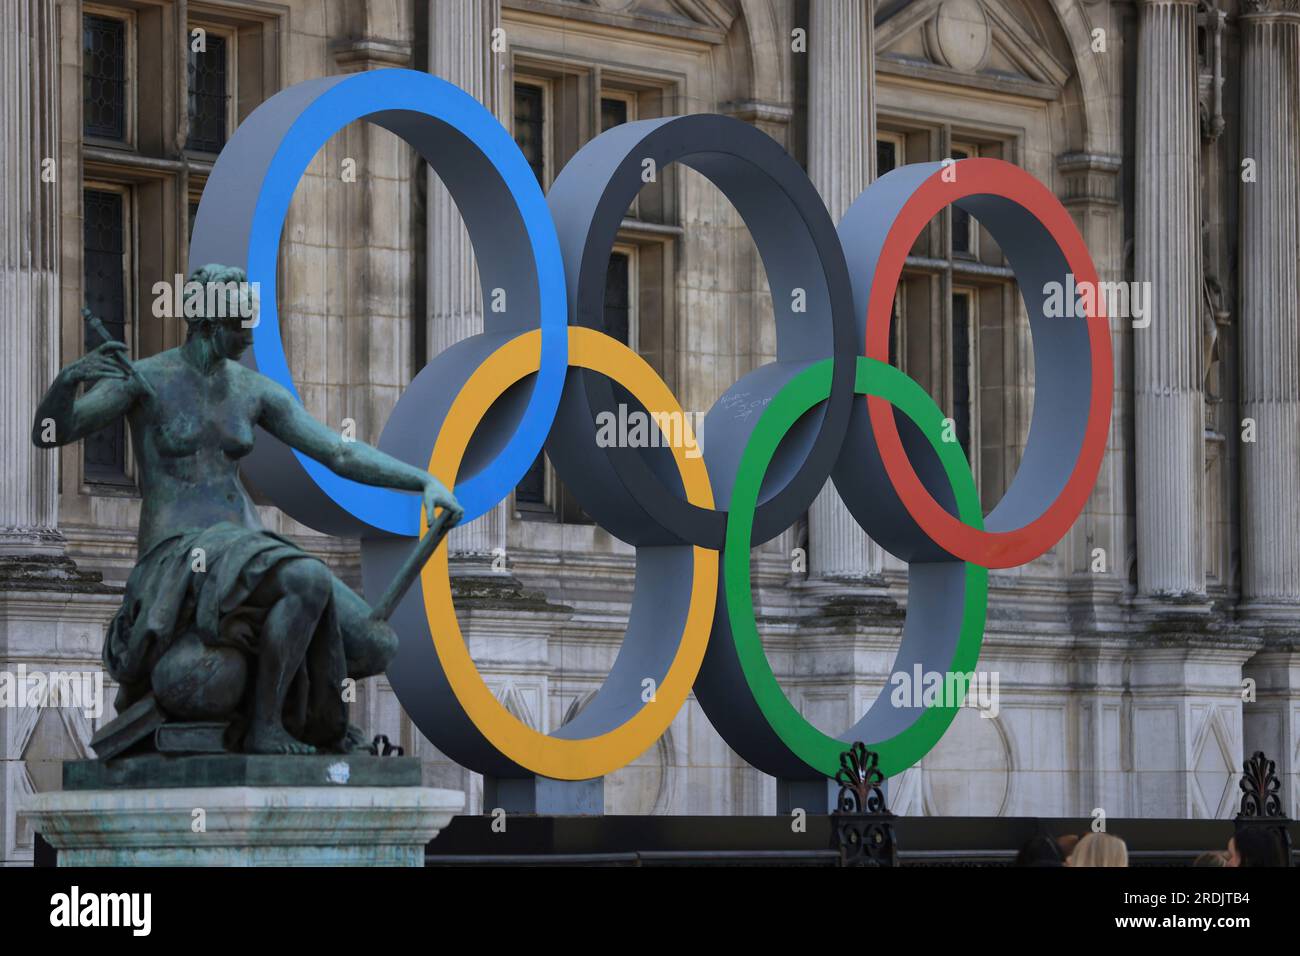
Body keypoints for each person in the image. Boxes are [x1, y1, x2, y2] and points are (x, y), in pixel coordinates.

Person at [33, 264, 462, 754]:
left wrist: (423, 481)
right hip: (179, 551)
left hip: (246, 547)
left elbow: (337, 452)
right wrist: (68, 381)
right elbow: (51, 433)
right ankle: (265, 729)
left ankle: (282, 705)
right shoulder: (145, 380)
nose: (249, 339)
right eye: (241, 328)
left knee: (372, 644)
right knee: (308, 580)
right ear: (210, 326)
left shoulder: (252, 390)